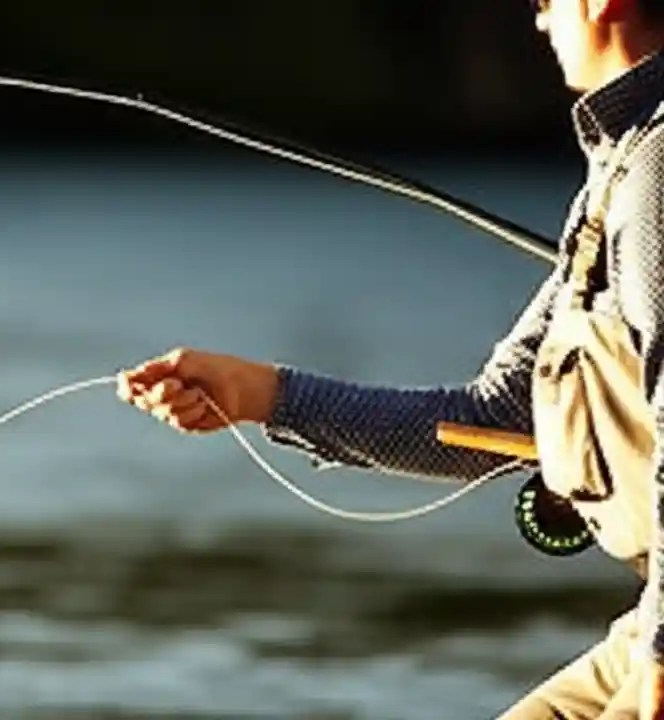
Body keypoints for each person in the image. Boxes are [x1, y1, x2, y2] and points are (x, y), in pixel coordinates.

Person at [116, 1, 664, 718]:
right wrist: (259, 395)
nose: (537, 23)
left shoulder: (656, 175)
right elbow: (493, 413)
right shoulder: (621, 167)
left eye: (542, 3)